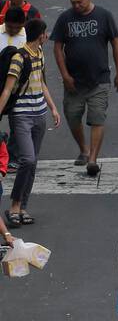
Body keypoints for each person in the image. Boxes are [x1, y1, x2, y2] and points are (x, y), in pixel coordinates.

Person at [50, 0, 118, 177]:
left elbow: (116, 43)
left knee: (97, 117)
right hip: (74, 81)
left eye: (79, 2)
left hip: (99, 79)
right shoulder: (65, 18)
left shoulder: (104, 15)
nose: (76, 6)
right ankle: (84, 149)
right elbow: (57, 47)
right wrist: (65, 75)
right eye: (73, 2)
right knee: (73, 116)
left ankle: (92, 160)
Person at [0, 18, 60, 226]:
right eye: (45, 33)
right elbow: (8, 89)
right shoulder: (19, 57)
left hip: (39, 114)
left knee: (32, 164)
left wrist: (52, 107)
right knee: (27, 159)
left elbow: (41, 82)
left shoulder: (40, 54)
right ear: (40, 35)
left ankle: (23, 206)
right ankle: (14, 206)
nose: (47, 36)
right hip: (22, 115)